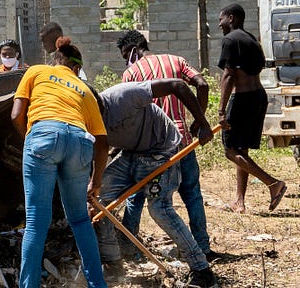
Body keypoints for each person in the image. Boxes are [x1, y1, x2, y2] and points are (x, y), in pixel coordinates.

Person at [94, 79, 216, 288]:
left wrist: (203, 123)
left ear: (97, 104)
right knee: (97, 200)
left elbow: (178, 85)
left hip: (161, 152)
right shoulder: (84, 120)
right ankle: (114, 264)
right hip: (130, 155)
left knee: (160, 209)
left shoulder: (123, 96)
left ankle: (201, 269)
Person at [11, 36, 108, 288]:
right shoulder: (85, 90)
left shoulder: (35, 71)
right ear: (76, 68)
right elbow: (102, 142)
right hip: (79, 142)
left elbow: (16, 115)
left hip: (43, 136)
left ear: (55, 60)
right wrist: (96, 182)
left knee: (36, 221)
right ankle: (98, 285)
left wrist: (32, 140)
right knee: (80, 219)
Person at [115, 30, 216, 260]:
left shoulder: (131, 73)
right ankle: (203, 247)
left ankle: (129, 249)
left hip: (152, 147)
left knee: (137, 195)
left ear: (133, 50)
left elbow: (129, 113)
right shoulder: (176, 61)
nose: (126, 61)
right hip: (182, 142)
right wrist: (199, 121)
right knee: (192, 194)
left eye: (125, 55)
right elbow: (202, 85)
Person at [216, 3, 287, 213]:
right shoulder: (252, 40)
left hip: (243, 99)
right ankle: (239, 202)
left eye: (221, 20)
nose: (219, 25)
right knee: (241, 149)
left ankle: (273, 184)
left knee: (230, 150)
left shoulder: (230, 40)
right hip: (258, 97)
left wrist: (221, 111)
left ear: (231, 18)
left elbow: (228, 76)